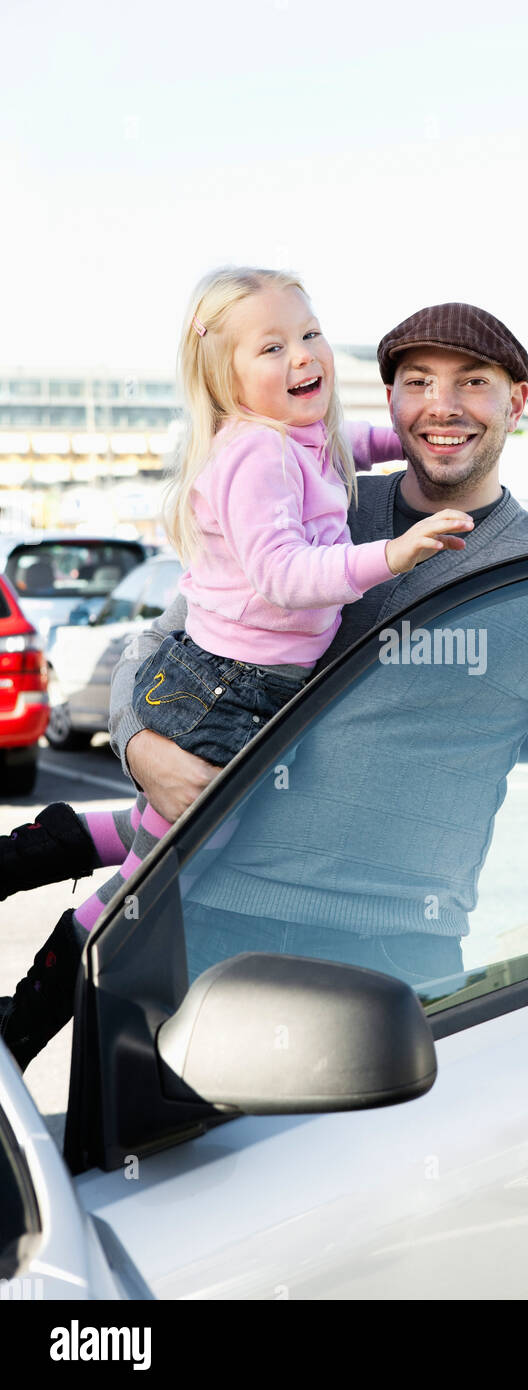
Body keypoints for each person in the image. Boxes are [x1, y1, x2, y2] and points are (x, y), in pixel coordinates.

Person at [0, 271, 473, 1069]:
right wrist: (388, 556)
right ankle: (24, 1021)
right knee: (150, 892)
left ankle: (22, 858)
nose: (303, 355)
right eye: (273, 346)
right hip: (220, 691)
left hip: (246, 692)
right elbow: (285, 575)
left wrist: (416, 430)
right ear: (227, 378)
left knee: (165, 838)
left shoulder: (302, 435)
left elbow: (357, 443)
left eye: (311, 333)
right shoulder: (254, 453)